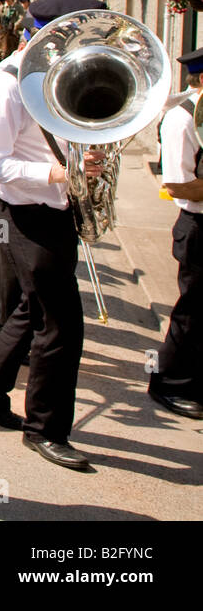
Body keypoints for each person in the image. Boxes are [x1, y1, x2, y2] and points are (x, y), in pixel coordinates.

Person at [0, 0, 108, 470]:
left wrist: (80, 161)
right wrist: (57, 174)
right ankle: (45, 429)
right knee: (61, 324)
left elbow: (55, 139)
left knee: (32, 306)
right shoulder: (8, 84)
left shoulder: (58, 76)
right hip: (22, 211)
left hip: (52, 206)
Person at [148, 48, 203, 420]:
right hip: (198, 227)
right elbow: (176, 185)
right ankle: (165, 380)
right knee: (192, 311)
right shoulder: (181, 120)